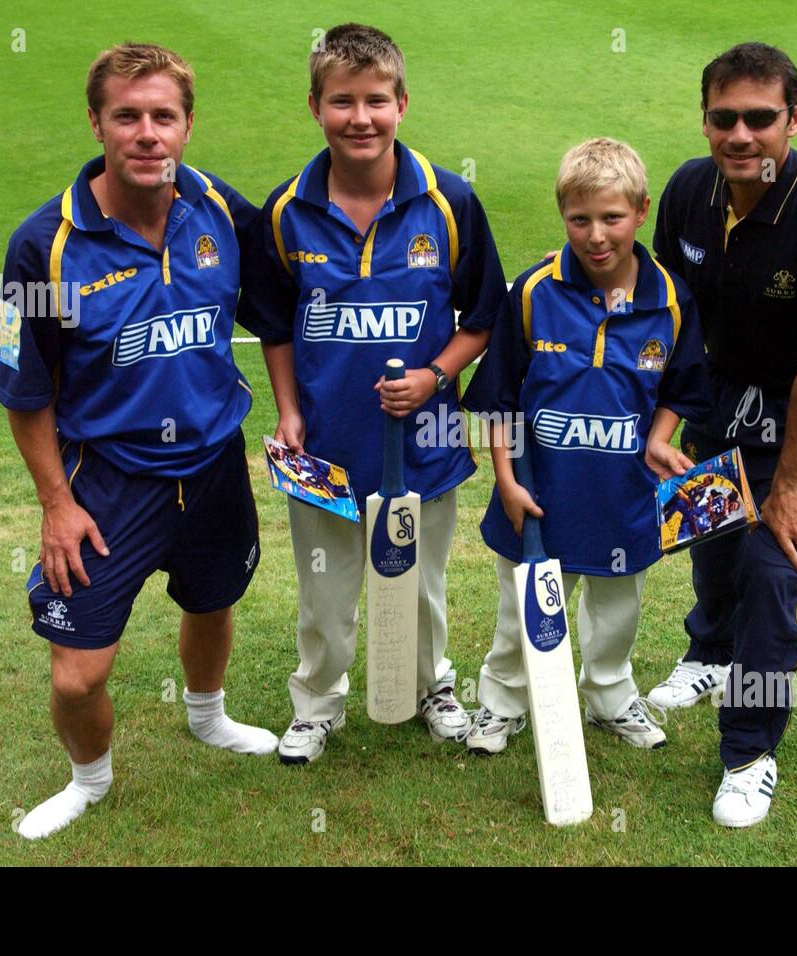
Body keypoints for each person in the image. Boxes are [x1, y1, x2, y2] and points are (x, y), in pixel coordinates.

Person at [0, 43, 275, 840]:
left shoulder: (217, 206)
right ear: (96, 123)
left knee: (213, 599)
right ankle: (89, 781)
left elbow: (288, 301)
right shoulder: (42, 244)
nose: (147, 134)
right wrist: (56, 504)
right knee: (79, 676)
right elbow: (25, 393)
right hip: (107, 482)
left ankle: (207, 715)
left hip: (215, 461)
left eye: (164, 116)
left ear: (188, 126)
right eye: (128, 116)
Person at [246, 23, 508, 763]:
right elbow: (274, 325)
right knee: (324, 591)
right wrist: (291, 410)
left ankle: (431, 688)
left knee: (421, 585)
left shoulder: (448, 201)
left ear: (402, 103)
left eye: (375, 101)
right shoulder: (285, 211)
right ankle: (317, 704)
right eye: (341, 102)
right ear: (314, 106)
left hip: (422, 445)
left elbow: (484, 316)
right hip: (324, 446)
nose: (359, 118)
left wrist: (433, 377)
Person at [647, 42, 797, 826]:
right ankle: (709, 653)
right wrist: (668, 419)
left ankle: (749, 753)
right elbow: (673, 319)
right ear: (705, 118)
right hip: (718, 397)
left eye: (760, 118)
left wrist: (783, 490)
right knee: (709, 542)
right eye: (724, 118)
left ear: (794, 118)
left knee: (770, 567)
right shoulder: (686, 191)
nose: (740, 135)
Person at [459, 138, 712, 754]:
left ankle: (609, 695)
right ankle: (500, 702)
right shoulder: (532, 292)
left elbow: (683, 385)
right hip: (538, 492)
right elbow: (498, 398)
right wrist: (507, 480)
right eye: (579, 219)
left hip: (624, 494)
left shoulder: (672, 301)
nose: (596, 235)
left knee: (617, 610)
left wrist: (659, 437)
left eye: (611, 218)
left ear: (642, 211)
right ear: (563, 216)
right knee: (524, 608)